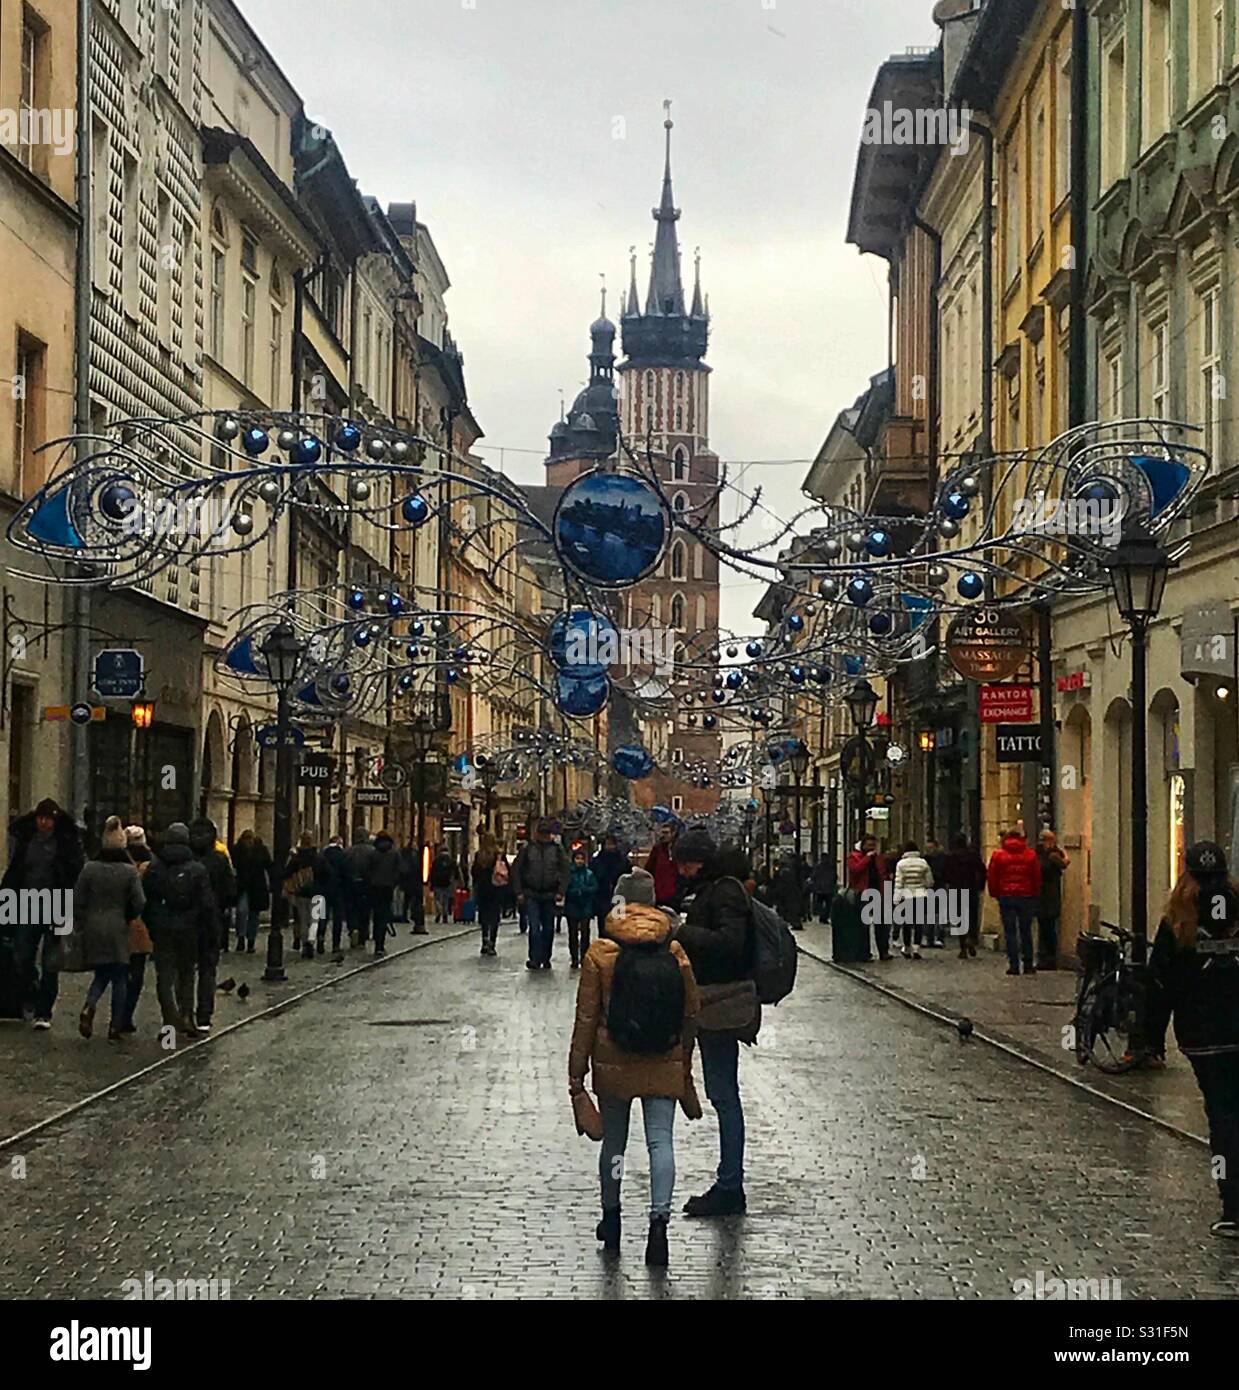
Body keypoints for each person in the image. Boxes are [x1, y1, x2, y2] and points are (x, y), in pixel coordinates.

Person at [569, 867, 701, 1266]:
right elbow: (691, 1012)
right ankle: (658, 1227)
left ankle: (612, 1220)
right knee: (661, 1142)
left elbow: (586, 1018)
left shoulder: (600, 953)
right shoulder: (675, 951)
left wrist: (577, 1075)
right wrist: (684, 1063)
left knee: (615, 1145)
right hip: (663, 1057)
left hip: (614, 1062)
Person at [1147, 842, 1239, 1237]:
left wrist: (1150, 1038)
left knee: (1223, 1118)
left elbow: (1159, 985)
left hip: (1205, 1037)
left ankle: (1233, 1205)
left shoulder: (1178, 920)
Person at [672, 826, 754, 1218]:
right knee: (722, 1093)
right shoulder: (714, 889)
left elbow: (728, 944)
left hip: (722, 1003)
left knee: (723, 1094)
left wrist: (682, 932)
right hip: (710, 1001)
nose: (682, 870)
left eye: (686, 863)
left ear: (700, 861)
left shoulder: (724, 891)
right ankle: (729, 1182)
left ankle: (730, 1186)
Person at [5, 797, 86, 1030]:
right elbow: (16, 870)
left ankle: (44, 1011)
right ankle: (31, 993)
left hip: (56, 904)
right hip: (27, 903)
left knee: (52, 960)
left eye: (48, 819)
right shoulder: (26, 840)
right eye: (41, 818)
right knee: (21, 955)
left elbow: (74, 873)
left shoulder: (66, 843)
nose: (44, 823)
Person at [73, 816, 145, 1042]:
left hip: (93, 927)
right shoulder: (129, 871)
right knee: (120, 977)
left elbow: (78, 899)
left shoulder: (89, 868)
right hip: (118, 928)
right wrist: (129, 915)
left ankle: (89, 1004)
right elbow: (139, 901)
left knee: (101, 974)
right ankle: (115, 1026)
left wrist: (83, 920)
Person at [145, 823, 215, 1037]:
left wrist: (154, 924)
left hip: (163, 930)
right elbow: (206, 905)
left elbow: (146, 900)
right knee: (187, 973)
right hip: (189, 930)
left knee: (164, 977)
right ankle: (187, 1015)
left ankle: (169, 1020)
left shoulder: (155, 868)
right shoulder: (197, 869)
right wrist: (207, 929)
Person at [188, 817, 236, 1029]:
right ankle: (204, 1016)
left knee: (185, 969)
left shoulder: (184, 860)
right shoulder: (219, 859)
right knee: (207, 969)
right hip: (211, 920)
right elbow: (230, 891)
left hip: (184, 920)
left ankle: (184, 1012)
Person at [512, 819, 570, 970]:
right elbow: (517, 870)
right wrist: (519, 892)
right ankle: (534, 958)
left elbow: (565, 870)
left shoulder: (557, 849)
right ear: (537, 834)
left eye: (547, 834)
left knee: (549, 928)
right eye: (542, 834)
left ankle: (546, 957)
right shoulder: (527, 849)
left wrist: (561, 891)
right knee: (535, 928)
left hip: (550, 894)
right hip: (532, 894)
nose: (544, 837)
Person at [987, 828, 1042, 977]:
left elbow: (992, 876)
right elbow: (1036, 876)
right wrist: (1035, 893)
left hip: (1006, 896)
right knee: (1026, 931)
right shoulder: (1030, 855)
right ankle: (1028, 963)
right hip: (1026, 896)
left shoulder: (998, 855)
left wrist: (995, 893)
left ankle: (1014, 964)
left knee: (1010, 932)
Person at [115, 825, 154, 1034]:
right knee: (136, 974)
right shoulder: (152, 865)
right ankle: (126, 1016)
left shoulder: (117, 862)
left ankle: (118, 1015)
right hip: (142, 925)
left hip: (118, 924)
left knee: (119, 972)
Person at [943, 832, 987, 959]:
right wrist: (980, 886)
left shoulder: (950, 856)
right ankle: (971, 938)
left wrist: (949, 883)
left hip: (956, 889)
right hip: (971, 888)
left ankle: (962, 946)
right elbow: (982, 870)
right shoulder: (972, 855)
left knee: (960, 917)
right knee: (972, 915)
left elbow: (944, 873)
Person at [231, 829, 273, 955]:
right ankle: (241, 937)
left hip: (256, 886)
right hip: (242, 885)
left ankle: (251, 940)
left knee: (254, 915)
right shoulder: (237, 850)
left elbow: (268, 865)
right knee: (241, 911)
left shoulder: (261, 850)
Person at [848, 836, 889, 961]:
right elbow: (855, 869)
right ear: (863, 845)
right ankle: (864, 953)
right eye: (869, 845)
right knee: (863, 926)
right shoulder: (854, 856)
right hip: (863, 894)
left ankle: (884, 952)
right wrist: (867, 858)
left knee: (882, 925)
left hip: (878, 893)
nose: (871, 848)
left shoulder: (879, 858)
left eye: (873, 845)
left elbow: (883, 874)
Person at [893, 841, 935, 960]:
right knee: (919, 923)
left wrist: (896, 898)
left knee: (907, 923)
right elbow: (929, 881)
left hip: (906, 895)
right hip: (921, 894)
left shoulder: (901, 864)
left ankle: (907, 947)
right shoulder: (923, 863)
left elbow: (899, 882)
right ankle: (916, 947)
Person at [282, 833, 322, 959]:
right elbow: (326, 873)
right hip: (317, 893)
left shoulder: (297, 858)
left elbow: (286, 872)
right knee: (315, 920)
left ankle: (305, 944)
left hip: (301, 893)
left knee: (303, 919)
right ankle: (311, 941)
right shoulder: (318, 857)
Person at [1035, 829, 1069, 970]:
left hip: (1049, 896)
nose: (1044, 843)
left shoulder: (1053, 854)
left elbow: (1063, 864)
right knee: (1044, 928)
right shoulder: (1040, 854)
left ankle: (1049, 958)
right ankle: (1045, 957)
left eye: (1046, 840)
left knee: (1048, 929)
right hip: (1042, 896)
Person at [472, 832, 507, 956]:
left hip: (482, 889)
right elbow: (506, 871)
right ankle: (492, 942)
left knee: (484, 917)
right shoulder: (499, 856)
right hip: (496, 889)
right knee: (494, 917)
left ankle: (484, 941)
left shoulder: (479, 855)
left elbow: (474, 872)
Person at [590, 834, 632, 938]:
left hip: (619, 897)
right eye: (607, 844)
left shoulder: (622, 860)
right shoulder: (597, 861)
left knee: (618, 926)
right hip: (602, 896)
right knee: (603, 926)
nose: (610, 847)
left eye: (612, 844)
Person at [564, 848, 599, 969]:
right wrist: (574, 892)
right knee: (573, 933)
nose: (579, 861)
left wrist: (584, 891)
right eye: (577, 858)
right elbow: (565, 888)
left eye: (581, 859)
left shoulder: (589, 874)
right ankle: (574, 957)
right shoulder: (568, 874)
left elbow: (594, 887)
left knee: (585, 932)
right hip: (572, 906)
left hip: (585, 906)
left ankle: (584, 956)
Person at [344, 827, 377, 947]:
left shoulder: (347, 851)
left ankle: (353, 929)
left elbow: (344, 869)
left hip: (350, 885)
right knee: (365, 911)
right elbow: (374, 869)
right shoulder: (372, 851)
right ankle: (363, 934)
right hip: (367, 885)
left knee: (351, 909)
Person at [370, 830, 401, 956]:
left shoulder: (373, 854)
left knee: (377, 915)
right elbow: (399, 870)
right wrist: (394, 883)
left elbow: (368, 870)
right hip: (388, 887)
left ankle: (377, 941)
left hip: (375, 887)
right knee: (384, 914)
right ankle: (380, 944)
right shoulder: (394, 854)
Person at [318, 834, 348, 961]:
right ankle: (336, 944)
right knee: (337, 918)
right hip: (338, 890)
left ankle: (320, 938)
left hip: (323, 889)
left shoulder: (322, 855)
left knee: (322, 916)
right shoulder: (343, 855)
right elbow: (346, 872)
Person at [644, 823, 680, 907]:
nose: (664, 835)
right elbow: (649, 868)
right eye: (662, 832)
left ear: (673, 833)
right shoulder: (657, 850)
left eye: (666, 833)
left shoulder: (678, 850)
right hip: (659, 893)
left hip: (675, 894)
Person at [769, 852, 804, 930]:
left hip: (787, 892)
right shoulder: (794, 867)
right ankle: (794, 922)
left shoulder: (786, 870)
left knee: (789, 908)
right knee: (791, 908)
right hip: (792, 892)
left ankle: (793, 923)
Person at [429, 844, 459, 923]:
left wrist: (431, 883)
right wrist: (456, 881)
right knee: (445, 900)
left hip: (437, 883)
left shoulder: (436, 861)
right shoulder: (452, 860)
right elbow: (456, 872)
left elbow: (432, 872)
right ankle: (445, 914)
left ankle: (439, 911)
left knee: (438, 900)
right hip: (448, 883)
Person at [810, 853, 837, 923]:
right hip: (829, 889)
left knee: (820, 904)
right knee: (828, 904)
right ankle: (825, 917)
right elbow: (834, 877)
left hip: (820, 889)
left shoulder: (818, 867)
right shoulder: (831, 867)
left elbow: (813, 876)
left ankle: (822, 916)